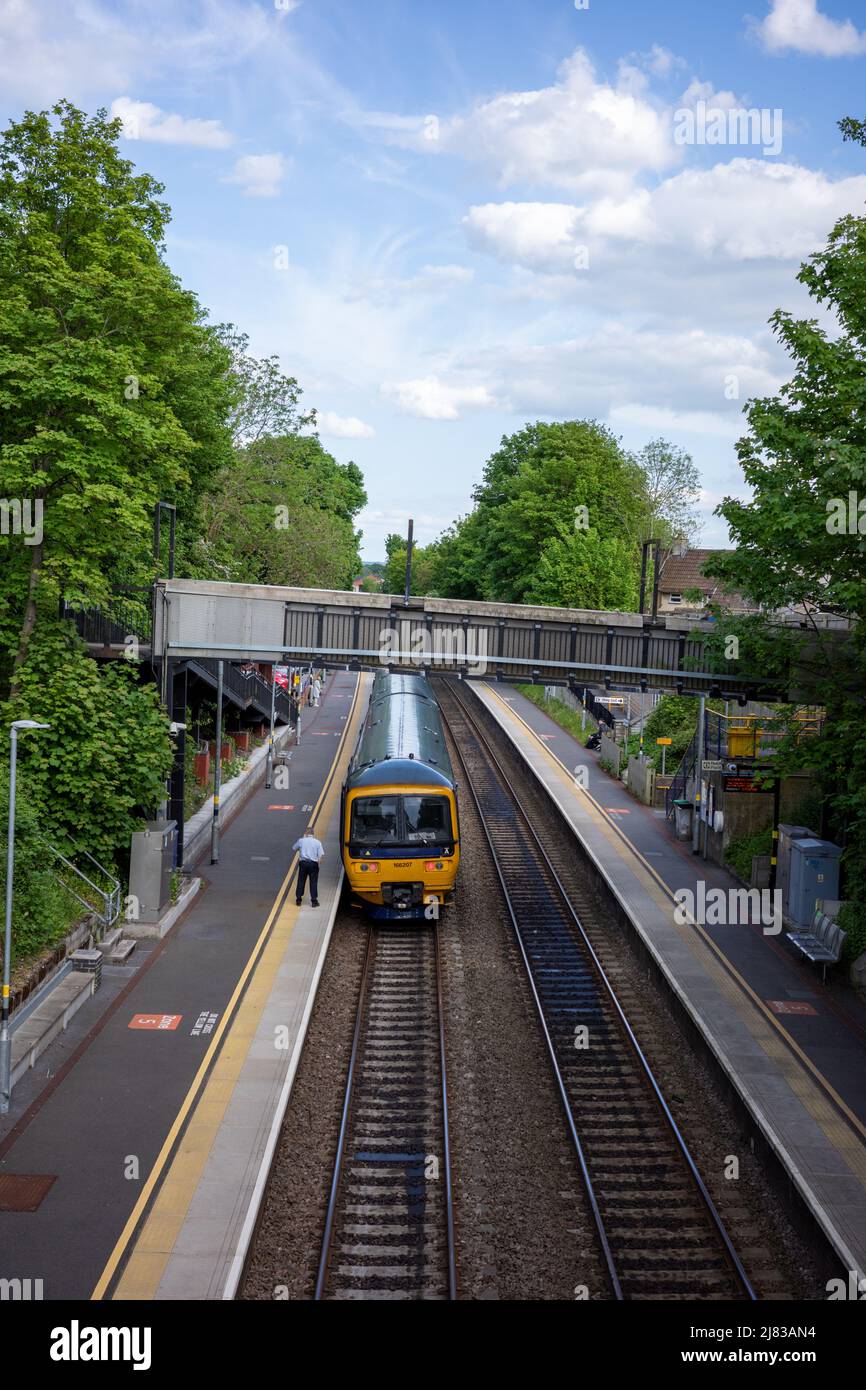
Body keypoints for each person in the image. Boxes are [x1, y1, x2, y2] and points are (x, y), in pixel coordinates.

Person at [293, 826, 324, 906]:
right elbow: (320, 856)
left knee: (301, 881)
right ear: (313, 833)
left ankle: (298, 900)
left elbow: (294, 848)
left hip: (303, 864)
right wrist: (318, 865)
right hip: (313, 864)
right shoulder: (318, 842)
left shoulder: (301, 841)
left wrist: (301, 842)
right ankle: (314, 901)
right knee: (313, 882)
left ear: (306, 833)